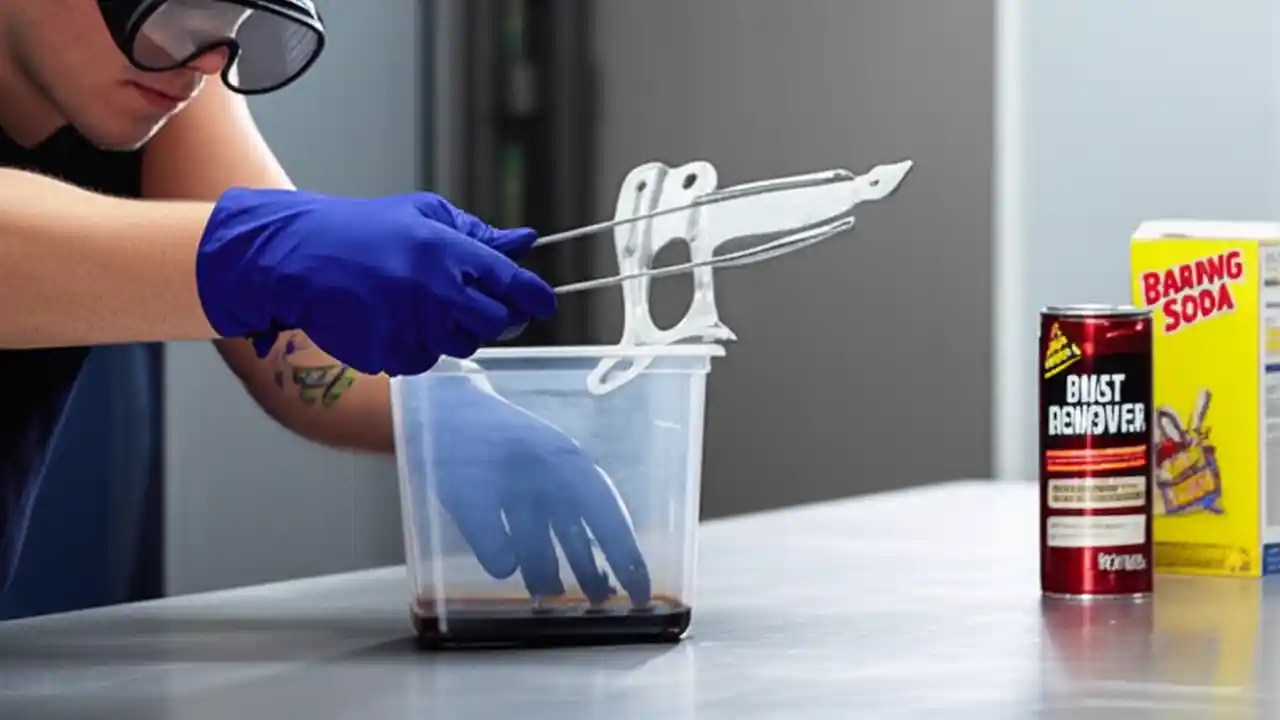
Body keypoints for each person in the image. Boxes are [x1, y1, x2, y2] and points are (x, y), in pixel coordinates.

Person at [0, 0, 649, 606]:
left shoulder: (163, 73)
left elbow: (298, 345)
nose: (205, 61)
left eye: (230, 16)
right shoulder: (146, 62)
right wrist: (262, 251)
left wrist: (443, 405)